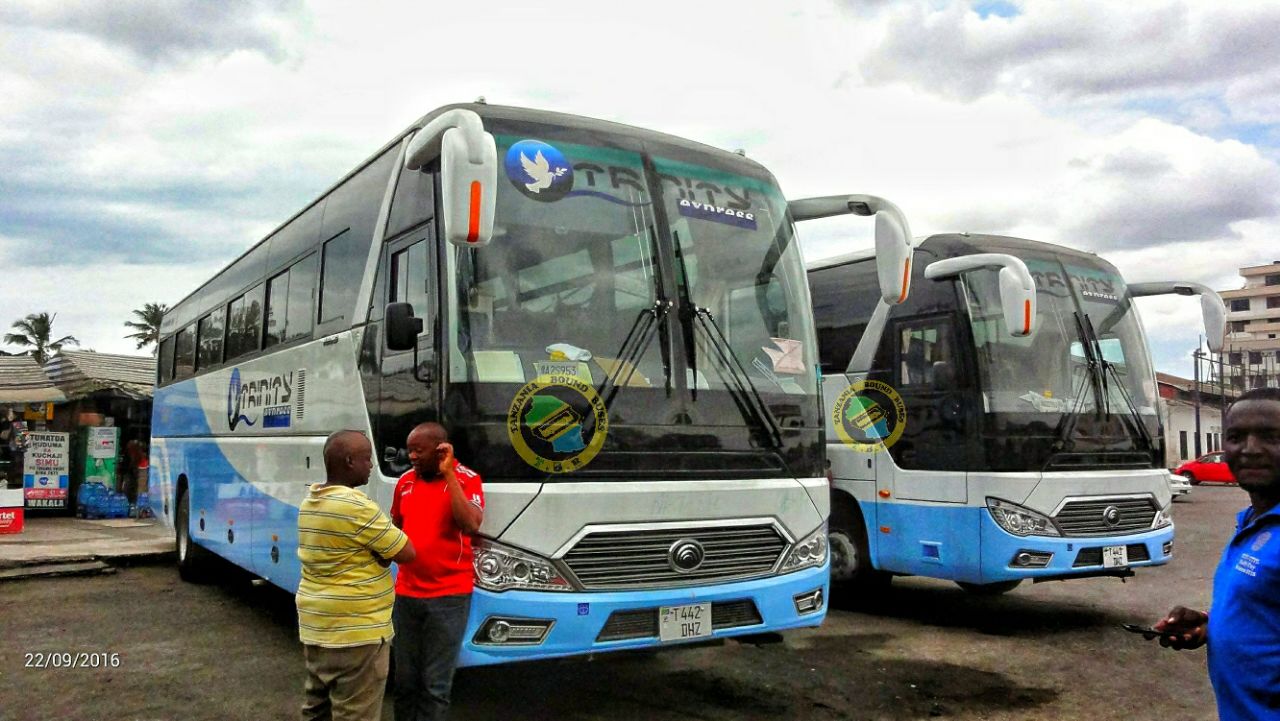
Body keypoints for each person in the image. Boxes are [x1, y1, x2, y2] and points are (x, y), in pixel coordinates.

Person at [1154, 387, 1280, 720]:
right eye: (1236, 436)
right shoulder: (1254, 521)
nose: (1250, 449)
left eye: (1270, 437)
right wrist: (1211, 628)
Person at [296, 430, 417, 721]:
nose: (372, 465)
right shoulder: (357, 506)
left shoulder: (309, 503)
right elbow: (407, 551)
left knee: (316, 709)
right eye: (367, 458)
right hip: (358, 633)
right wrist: (380, 555)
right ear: (350, 461)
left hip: (317, 628)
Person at [390, 422, 484, 721]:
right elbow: (395, 529)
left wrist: (449, 476)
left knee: (435, 685)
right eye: (409, 450)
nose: (412, 456)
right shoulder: (404, 482)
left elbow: (470, 524)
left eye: (419, 450)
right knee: (404, 681)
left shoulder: (468, 480)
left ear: (441, 449)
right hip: (406, 594)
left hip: (449, 598)